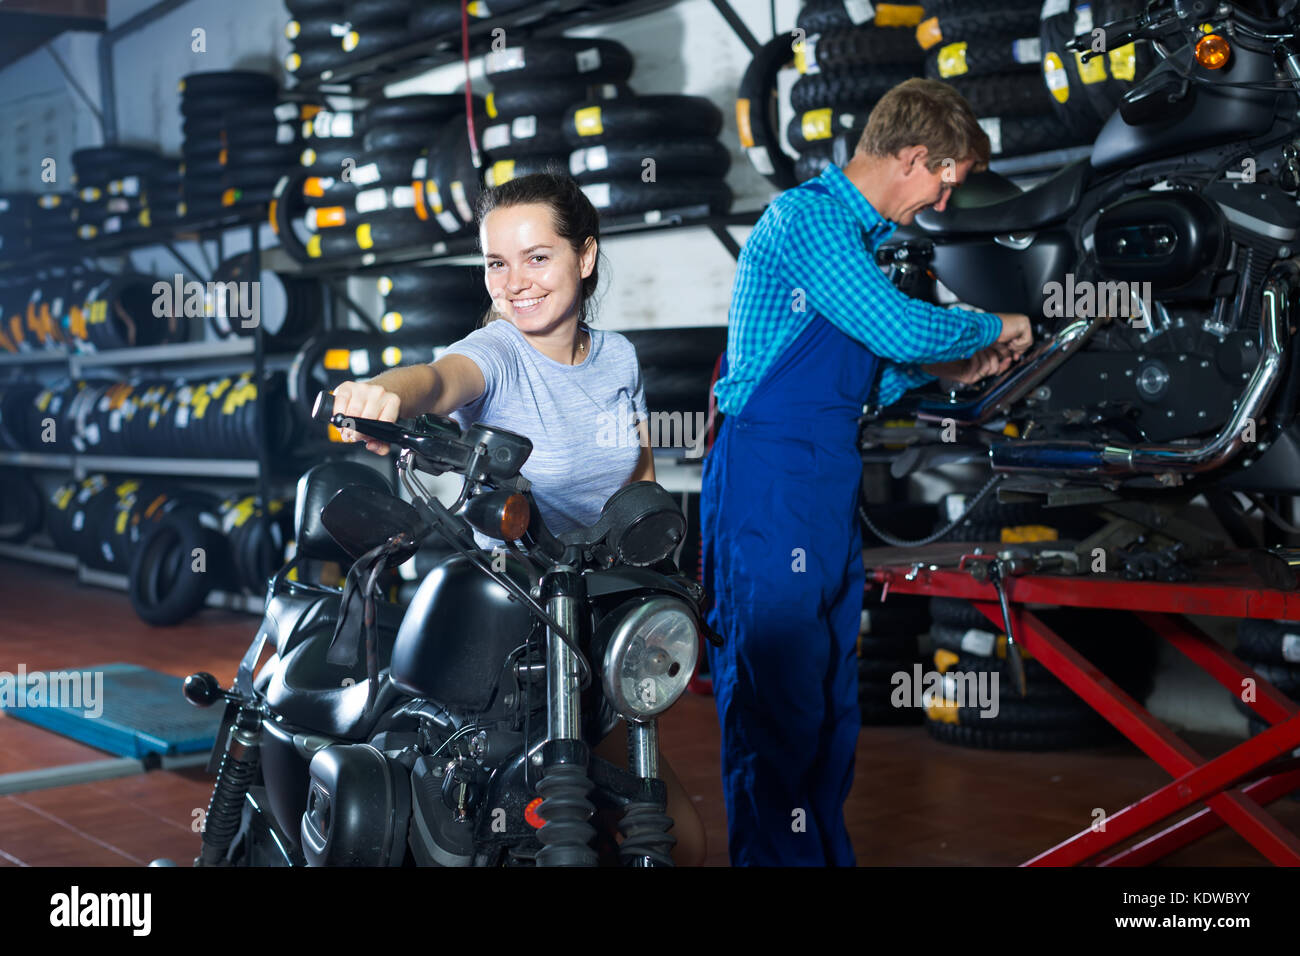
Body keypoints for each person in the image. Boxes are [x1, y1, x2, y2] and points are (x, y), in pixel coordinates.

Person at [700, 78, 1035, 866]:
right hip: (771, 477)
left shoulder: (855, 245)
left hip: (821, 478)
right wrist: (991, 323)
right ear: (916, 157)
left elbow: (866, 372)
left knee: (825, 696)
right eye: (946, 183)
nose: (944, 206)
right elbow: (891, 323)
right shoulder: (808, 218)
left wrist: (945, 375)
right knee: (774, 690)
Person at [330, 171, 707, 866]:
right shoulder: (498, 354)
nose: (514, 283)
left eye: (537, 257)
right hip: (509, 638)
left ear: (585, 258)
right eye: (496, 263)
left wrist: (657, 576)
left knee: (680, 842)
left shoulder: (618, 356)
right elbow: (439, 379)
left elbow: (639, 474)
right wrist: (384, 393)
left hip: (596, 627)